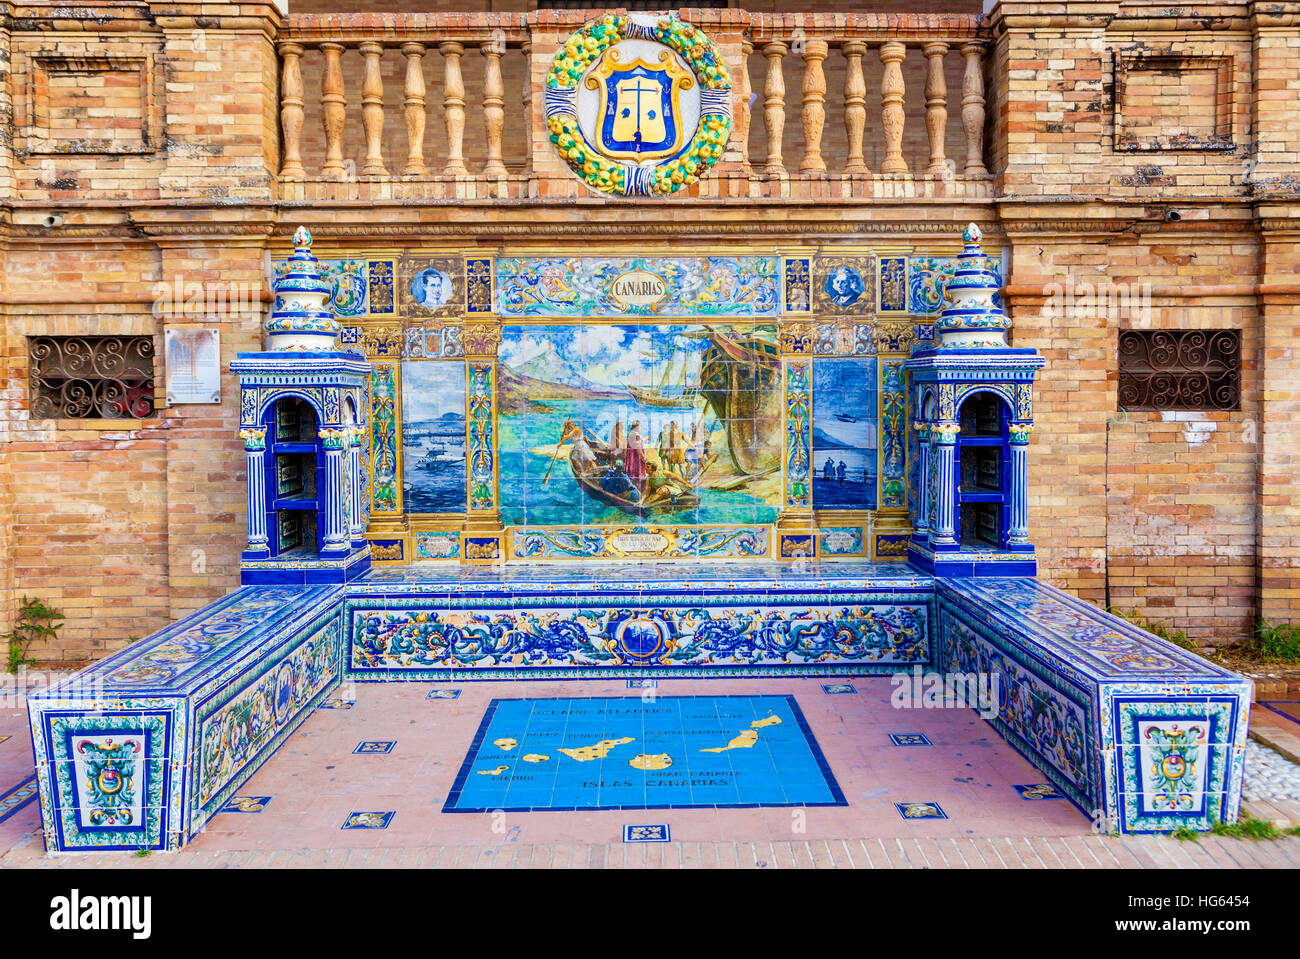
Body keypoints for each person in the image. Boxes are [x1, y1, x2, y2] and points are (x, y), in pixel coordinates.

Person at [625, 421, 647, 491]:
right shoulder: (636, 435)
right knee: (637, 475)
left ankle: (631, 489)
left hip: (631, 456)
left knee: (632, 474)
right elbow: (638, 447)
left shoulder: (630, 434)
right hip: (636, 457)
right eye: (640, 427)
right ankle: (638, 491)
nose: (641, 428)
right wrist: (643, 456)